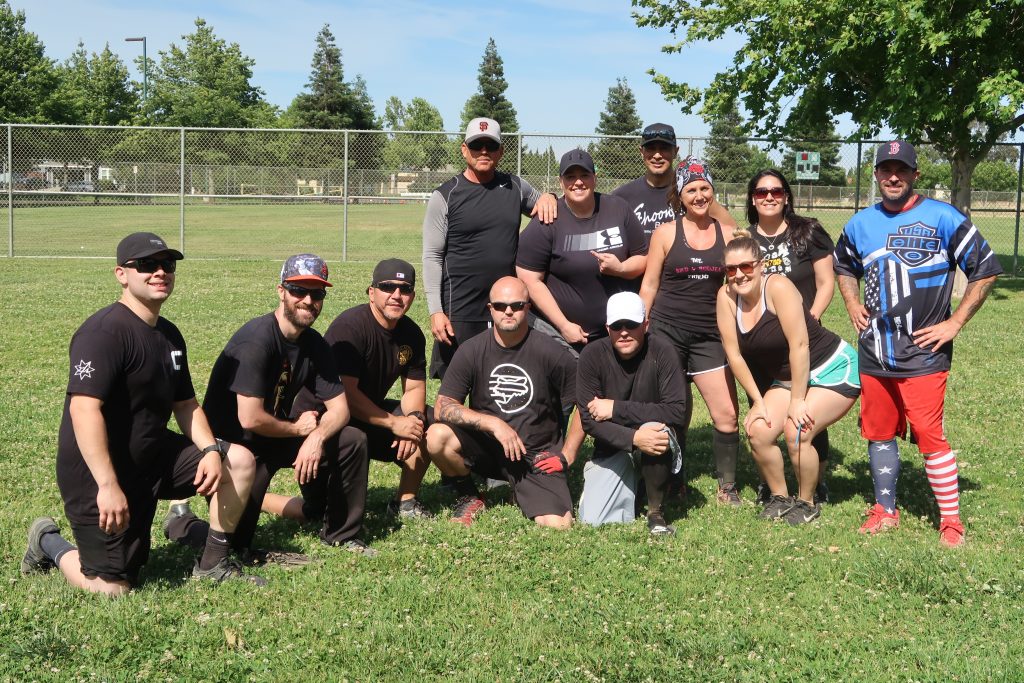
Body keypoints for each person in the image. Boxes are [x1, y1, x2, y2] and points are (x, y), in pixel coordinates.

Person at [21, 232, 261, 595]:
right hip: (99, 471)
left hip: (152, 455)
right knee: (114, 587)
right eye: (147, 265)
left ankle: (213, 563)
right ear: (122, 274)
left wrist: (211, 451)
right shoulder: (103, 333)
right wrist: (107, 485)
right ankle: (48, 542)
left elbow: (185, 405)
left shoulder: (169, 335)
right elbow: (83, 411)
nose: (160, 272)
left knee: (238, 461)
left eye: (168, 265)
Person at [834, 140, 1001, 547]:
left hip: (924, 353)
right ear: (876, 175)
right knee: (878, 432)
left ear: (915, 175)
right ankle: (885, 510)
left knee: (929, 433)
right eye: (886, 169)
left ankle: (951, 520)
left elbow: (986, 268)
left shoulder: (943, 217)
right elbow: (843, 264)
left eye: (902, 170)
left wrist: (956, 322)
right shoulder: (860, 223)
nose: (893, 177)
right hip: (875, 350)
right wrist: (852, 301)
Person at [165, 254, 373, 558]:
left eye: (317, 293)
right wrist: (297, 428)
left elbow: (340, 409)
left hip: (274, 435)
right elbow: (249, 419)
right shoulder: (257, 341)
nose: (308, 300)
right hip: (237, 447)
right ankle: (181, 522)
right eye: (298, 290)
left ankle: (342, 534)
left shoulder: (314, 344)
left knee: (352, 440)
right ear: (281, 291)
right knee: (235, 544)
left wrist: (314, 437)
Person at [262, 258, 433, 521]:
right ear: (371, 292)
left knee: (426, 421)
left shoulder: (411, 334)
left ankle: (405, 501)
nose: (396, 295)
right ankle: (257, 497)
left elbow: (414, 388)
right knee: (318, 513)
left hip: (365, 418)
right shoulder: (351, 327)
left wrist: (411, 421)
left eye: (405, 289)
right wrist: (392, 423)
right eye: (388, 287)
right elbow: (347, 396)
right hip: (322, 422)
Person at [717, 231, 860, 525]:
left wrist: (797, 401)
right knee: (758, 431)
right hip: (789, 377)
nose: (739, 275)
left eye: (746, 266)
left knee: (798, 431)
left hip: (830, 367)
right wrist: (758, 401)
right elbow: (735, 356)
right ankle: (780, 497)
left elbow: (800, 345)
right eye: (731, 269)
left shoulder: (778, 286)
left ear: (761, 265)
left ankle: (807, 501)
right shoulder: (726, 297)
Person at [424, 276, 577, 529]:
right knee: (437, 436)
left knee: (558, 524)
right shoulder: (472, 349)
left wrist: (568, 454)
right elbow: (443, 406)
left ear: (528, 308)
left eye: (517, 305)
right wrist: (493, 423)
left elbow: (585, 403)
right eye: (500, 305)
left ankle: (522, 489)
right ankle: (470, 495)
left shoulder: (551, 352)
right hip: (487, 448)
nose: (508, 311)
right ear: (490, 309)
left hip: (534, 454)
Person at [639, 158, 742, 505]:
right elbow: (650, 285)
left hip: (709, 335)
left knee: (727, 414)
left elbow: (740, 283)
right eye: (691, 190)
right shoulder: (666, 233)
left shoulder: (728, 235)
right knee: (674, 411)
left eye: (704, 188)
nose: (699, 195)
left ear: (712, 192)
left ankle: (727, 486)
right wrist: (642, 323)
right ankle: (674, 479)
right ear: (679, 196)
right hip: (667, 333)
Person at [423, 117, 558, 380]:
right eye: (476, 145)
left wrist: (549, 196)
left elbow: (543, 207)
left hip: (506, 308)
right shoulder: (445, 195)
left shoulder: (515, 187)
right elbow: (432, 257)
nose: (483, 151)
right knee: (454, 388)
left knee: (500, 380)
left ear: (501, 151)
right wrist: (436, 311)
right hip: (460, 309)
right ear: (464, 150)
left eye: (490, 146)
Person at [745, 169, 836, 505]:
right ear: (752, 198)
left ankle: (817, 481)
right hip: (761, 343)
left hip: (802, 341)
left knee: (807, 412)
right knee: (764, 409)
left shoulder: (807, 232)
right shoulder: (745, 240)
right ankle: (772, 484)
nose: (769, 197)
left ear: (787, 196)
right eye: (762, 192)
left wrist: (809, 318)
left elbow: (826, 282)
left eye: (777, 191)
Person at [516, 148, 648, 357]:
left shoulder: (617, 208)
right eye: (570, 176)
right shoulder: (548, 218)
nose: (578, 182)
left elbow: (643, 258)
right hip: (566, 338)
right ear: (561, 182)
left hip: (619, 334)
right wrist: (563, 325)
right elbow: (529, 279)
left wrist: (621, 268)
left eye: (584, 175)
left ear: (594, 178)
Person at [576, 292, 687, 534]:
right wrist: (634, 439)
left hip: (653, 437)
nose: (624, 332)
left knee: (657, 432)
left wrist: (615, 407)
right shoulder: (591, 356)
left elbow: (677, 411)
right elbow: (588, 421)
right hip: (612, 447)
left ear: (645, 325)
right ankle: (634, 487)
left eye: (632, 325)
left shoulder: (664, 351)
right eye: (617, 325)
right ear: (607, 328)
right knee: (595, 521)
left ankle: (656, 512)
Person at [612, 123, 737, 244]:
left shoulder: (693, 194)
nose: (657, 155)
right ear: (641, 152)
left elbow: (735, 233)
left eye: (664, 148)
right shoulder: (622, 196)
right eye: (651, 148)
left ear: (675, 151)